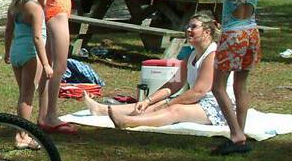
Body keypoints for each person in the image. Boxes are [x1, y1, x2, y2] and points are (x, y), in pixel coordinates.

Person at [82, 14, 232, 131]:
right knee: (156, 105)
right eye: (188, 26)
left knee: (175, 109)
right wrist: (148, 100)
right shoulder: (192, 55)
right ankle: (101, 109)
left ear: (207, 32)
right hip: (200, 102)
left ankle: (129, 122)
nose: (188, 30)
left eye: (193, 27)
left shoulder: (212, 55)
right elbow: (173, 84)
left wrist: (168, 103)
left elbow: (198, 91)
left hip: (218, 107)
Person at [196, 0, 271, 155]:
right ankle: (240, 132)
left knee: (218, 87)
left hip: (233, 35)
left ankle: (236, 135)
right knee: (241, 86)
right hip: (252, 33)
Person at [38, 0, 89, 133]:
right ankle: (50, 115)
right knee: (58, 67)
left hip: (54, 13)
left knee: (49, 68)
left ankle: (44, 115)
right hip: (56, 16)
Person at [4, 0, 53, 147]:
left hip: (17, 52)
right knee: (27, 97)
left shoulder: (15, 5)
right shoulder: (34, 8)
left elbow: (8, 31)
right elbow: (37, 36)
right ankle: (22, 136)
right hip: (31, 55)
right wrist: (46, 63)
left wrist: (7, 51)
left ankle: (22, 132)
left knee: (23, 95)